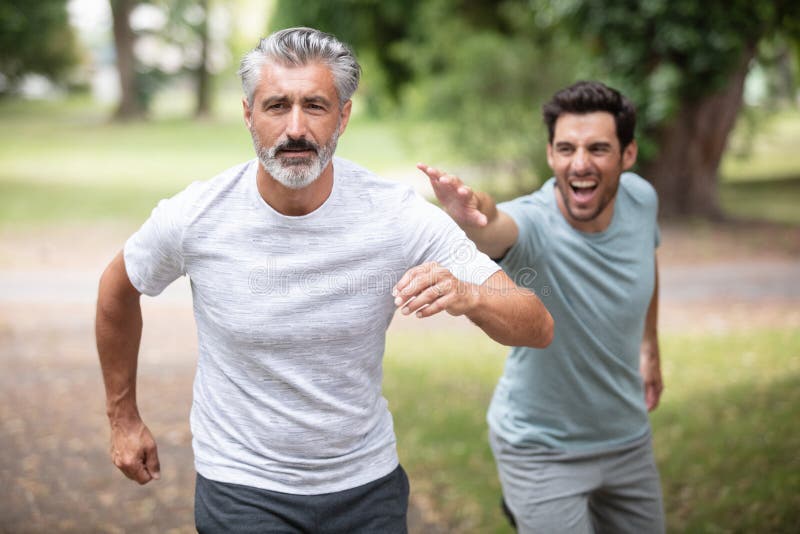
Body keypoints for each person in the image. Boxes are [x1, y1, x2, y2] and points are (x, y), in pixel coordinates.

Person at [95, 27, 553, 533]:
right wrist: (122, 417)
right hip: (242, 485)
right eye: (276, 106)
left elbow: (537, 325)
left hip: (366, 487)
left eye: (315, 106)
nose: (296, 128)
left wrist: (470, 295)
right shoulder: (197, 216)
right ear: (248, 114)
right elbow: (117, 291)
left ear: (344, 115)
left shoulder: (395, 215)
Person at [418, 80, 664, 533]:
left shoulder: (641, 199)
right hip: (540, 448)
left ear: (628, 155)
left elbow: (647, 263)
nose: (580, 163)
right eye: (566, 149)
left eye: (598, 149)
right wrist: (475, 212)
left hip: (627, 439)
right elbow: (494, 225)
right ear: (551, 155)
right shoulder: (533, 222)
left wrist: (650, 346)